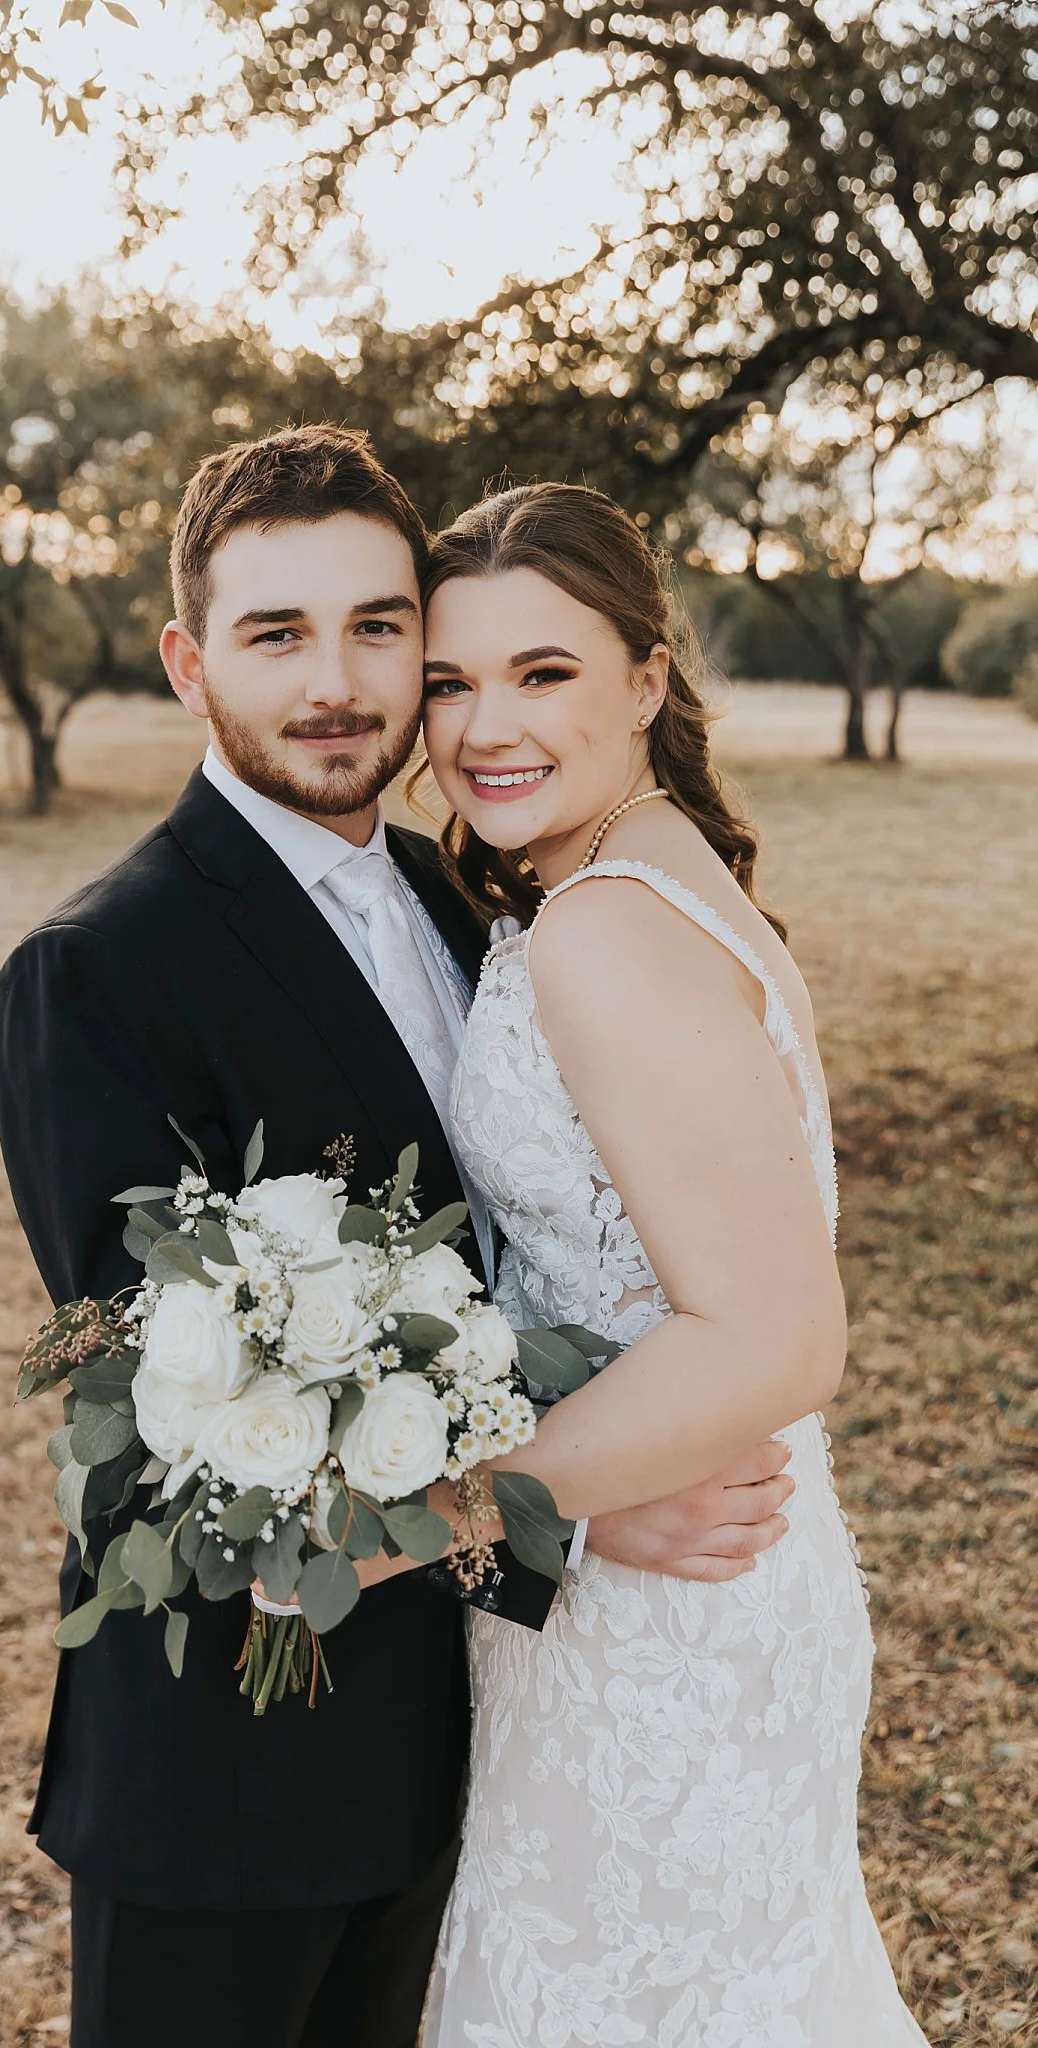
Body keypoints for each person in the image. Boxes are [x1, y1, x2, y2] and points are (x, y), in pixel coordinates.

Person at [0, 427, 793, 2048]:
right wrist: (567, 1516)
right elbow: (173, 1440)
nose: (339, 683)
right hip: (228, 1769)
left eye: (377, 627)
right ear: (187, 662)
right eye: (278, 635)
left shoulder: (465, 891)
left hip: (462, 1753)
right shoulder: (94, 977)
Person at [413, 481, 929, 2045]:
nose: (484, 724)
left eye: (543, 672)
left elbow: (776, 1341)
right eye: (449, 680)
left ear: (648, 677)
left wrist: (452, 1515)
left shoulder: (605, 928)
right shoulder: (638, 874)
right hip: (684, 1562)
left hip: (666, 1601)